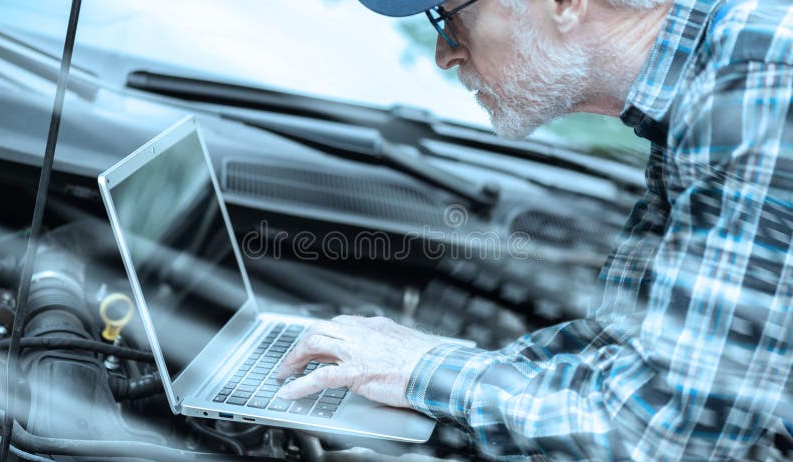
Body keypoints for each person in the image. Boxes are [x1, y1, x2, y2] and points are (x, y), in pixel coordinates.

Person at [276, 0, 793, 459]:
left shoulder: (759, 86)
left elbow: (667, 437)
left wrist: (421, 369)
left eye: (450, 17)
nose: (445, 54)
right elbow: (618, 344)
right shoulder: (709, 80)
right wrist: (408, 371)